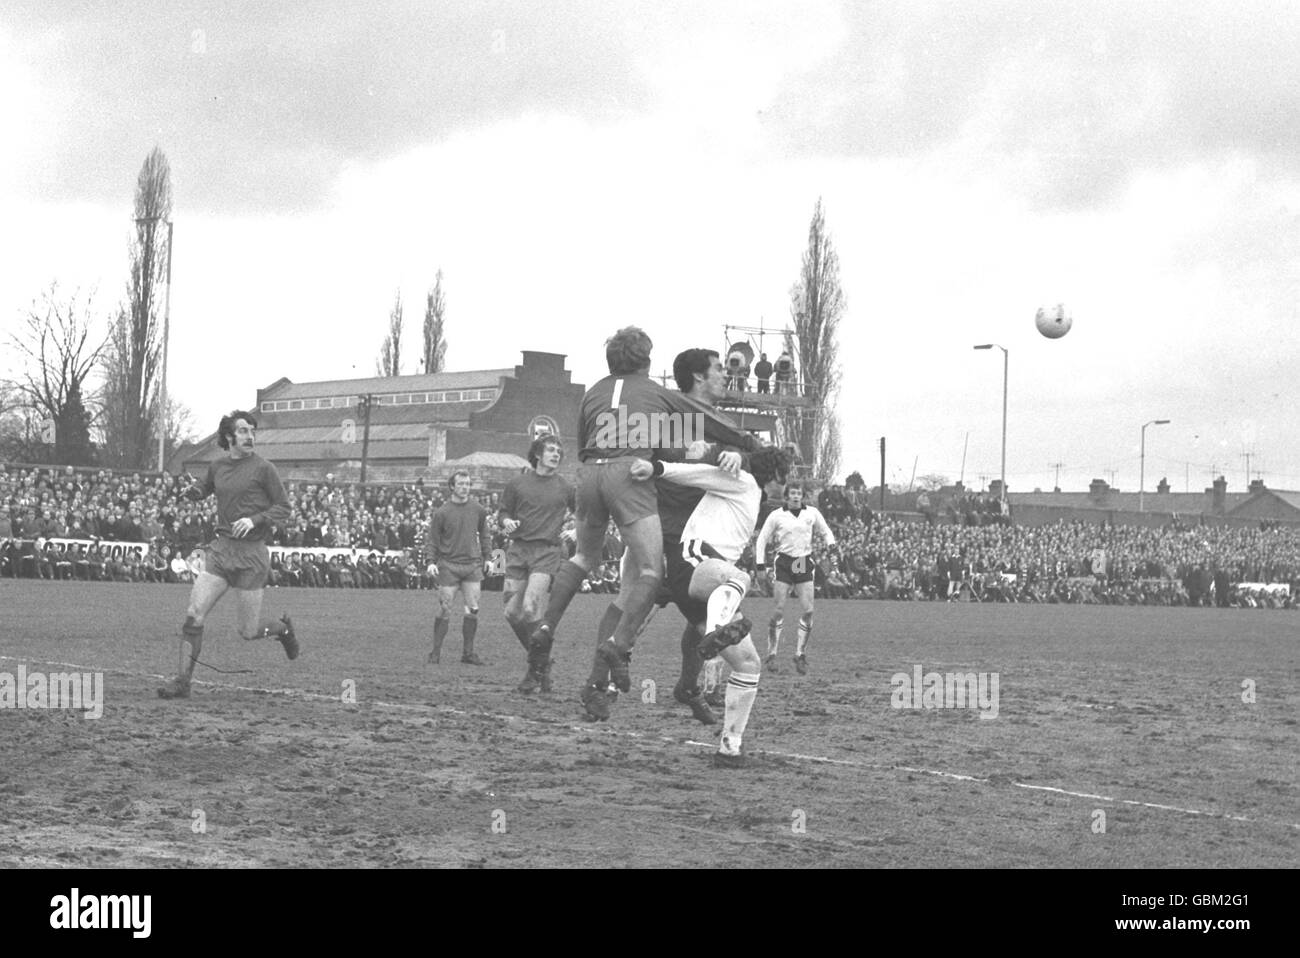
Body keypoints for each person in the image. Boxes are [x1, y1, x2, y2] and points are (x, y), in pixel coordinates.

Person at [579, 347, 762, 722]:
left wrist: (740, 458)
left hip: (698, 536)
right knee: (631, 605)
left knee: (701, 615)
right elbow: (633, 458)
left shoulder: (720, 424)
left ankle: (688, 685)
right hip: (657, 526)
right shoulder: (664, 416)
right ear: (698, 376)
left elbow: (744, 461)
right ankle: (598, 688)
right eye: (718, 369)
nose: (724, 375)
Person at [525, 327, 681, 721]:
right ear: (647, 359)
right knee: (650, 570)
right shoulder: (659, 394)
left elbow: (583, 441)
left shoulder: (593, 391)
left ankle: (546, 627)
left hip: (591, 474)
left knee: (582, 557)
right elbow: (684, 438)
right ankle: (619, 648)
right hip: (631, 479)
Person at [629, 444, 791, 766]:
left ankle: (729, 749)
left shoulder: (753, 495)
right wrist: (658, 468)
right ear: (774, 476)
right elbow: (698, 473)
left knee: (748, 664)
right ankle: (715, 632)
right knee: (740, 579)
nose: (787, 487)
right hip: (692, 558)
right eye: (786, 478)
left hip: (709, 582)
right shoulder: (743, 480)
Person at [157, 410, 298, 700]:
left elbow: (284, 507)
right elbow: (205, 487)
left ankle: (282, 629)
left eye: (252, 431)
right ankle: (182, 682)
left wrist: (255, 520)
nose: (250, 436)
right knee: (194, 614)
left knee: (247, 631)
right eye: (244, 430)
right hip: (221, 550)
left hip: (252, 556)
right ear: (229, 437)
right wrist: (192, 492)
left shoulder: (264, 468)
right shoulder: (218, 465)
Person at [498, 434, 575, 694]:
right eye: (551, 450)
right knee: (512, 613)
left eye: (558, 451)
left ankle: (534, 670)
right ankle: (542, 661)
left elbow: (584, 513)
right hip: (519, 550)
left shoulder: (565, 487)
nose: (556, 454)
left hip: (547, 551)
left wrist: (575, 532)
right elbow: (503, 511)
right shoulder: (517, 484)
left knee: (531, 607)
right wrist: (506, 522)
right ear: (538, 454)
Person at [755, 483, 836, 675]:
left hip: (802, 561)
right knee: (779, 608)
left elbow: (826, 531)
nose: (796, 496)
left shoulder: (812, 513)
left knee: (808, 610)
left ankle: (800, 654)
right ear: (786, 496)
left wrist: (831, 546)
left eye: (799, 493)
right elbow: (762, 539)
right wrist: (759, 565)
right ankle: (772, 654)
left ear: (803, 496)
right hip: (784, 561)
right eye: (792, 493)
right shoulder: (776, 515)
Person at [426, 471, 493, 665]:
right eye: (461, 484)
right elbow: (433, 540)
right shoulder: (442, 512)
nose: (465, 487)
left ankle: (468, 653)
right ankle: (436, 652)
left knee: (472, 609)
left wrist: (488, 557)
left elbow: (485, 534)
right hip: (448, 565)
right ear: (452, 487)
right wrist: (431, 561)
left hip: (472, 565)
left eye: (468, 484)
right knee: (445, 608)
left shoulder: (478, 510)